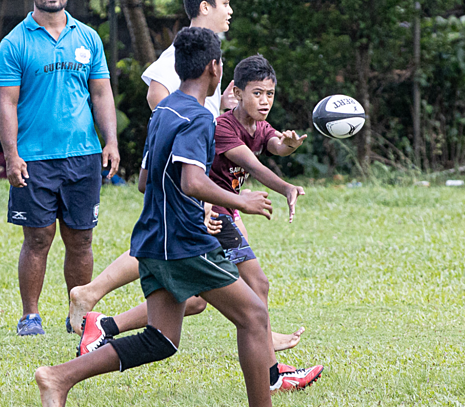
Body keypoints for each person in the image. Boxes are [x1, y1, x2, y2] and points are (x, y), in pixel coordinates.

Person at [35, 27, 278, 407]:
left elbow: (145, 181)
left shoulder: (164, 110)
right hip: (184, 243)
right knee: (255, 316)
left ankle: (58, 377)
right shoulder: (199, 117)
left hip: (151, 239)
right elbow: (193, 181)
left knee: (160, 339)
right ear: (215, 69)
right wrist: (239, 200)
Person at [68, 0, 303, 351]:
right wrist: (192, 136)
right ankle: (267, 355)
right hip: (194, 183)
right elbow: (159, 99)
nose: (230, 9)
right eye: (225, 3)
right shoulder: (181, 53)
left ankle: (104, 324)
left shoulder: (208, 55)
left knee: (191, 297)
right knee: (223, 275)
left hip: (201, 183)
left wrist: (219, 110)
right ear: (205, 7)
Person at [77, 54, 324, 391]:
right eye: (257, 93)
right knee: (256, 294)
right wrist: (283, 188)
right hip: (211, 216)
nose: (264, 101)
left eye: (270, 94)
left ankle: (105, 326)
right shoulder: (218, 125)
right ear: (232, 89)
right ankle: (269, 371)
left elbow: (275, 145)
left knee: (193, 304)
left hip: (212, 215)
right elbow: (249, 165)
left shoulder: (253, 125)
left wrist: (289, 145)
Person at [0, 0, 120, 336]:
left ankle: (77, 314)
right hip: (35, 158)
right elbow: (6, 105)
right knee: (37, 238)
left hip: (83, 155)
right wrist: (12, 155)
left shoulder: (88, 38)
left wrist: (110, 141)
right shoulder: (15, 43)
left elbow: (101, 93)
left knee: (81, 238)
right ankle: (30, 316)